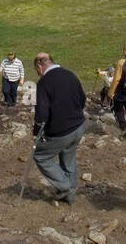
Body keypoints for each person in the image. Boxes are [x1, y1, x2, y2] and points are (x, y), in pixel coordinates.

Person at [31, 52, 87, 204]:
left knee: (40, 156)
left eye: (37, 70)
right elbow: (82, 99)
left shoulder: (44, 82)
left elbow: (41, 113)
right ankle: (70, 195)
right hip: (79, 125)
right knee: (68, 157)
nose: (38, 73)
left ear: (39, 66)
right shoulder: (70, 74)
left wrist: (37, 130)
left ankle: (65, 186)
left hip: (61, 131)